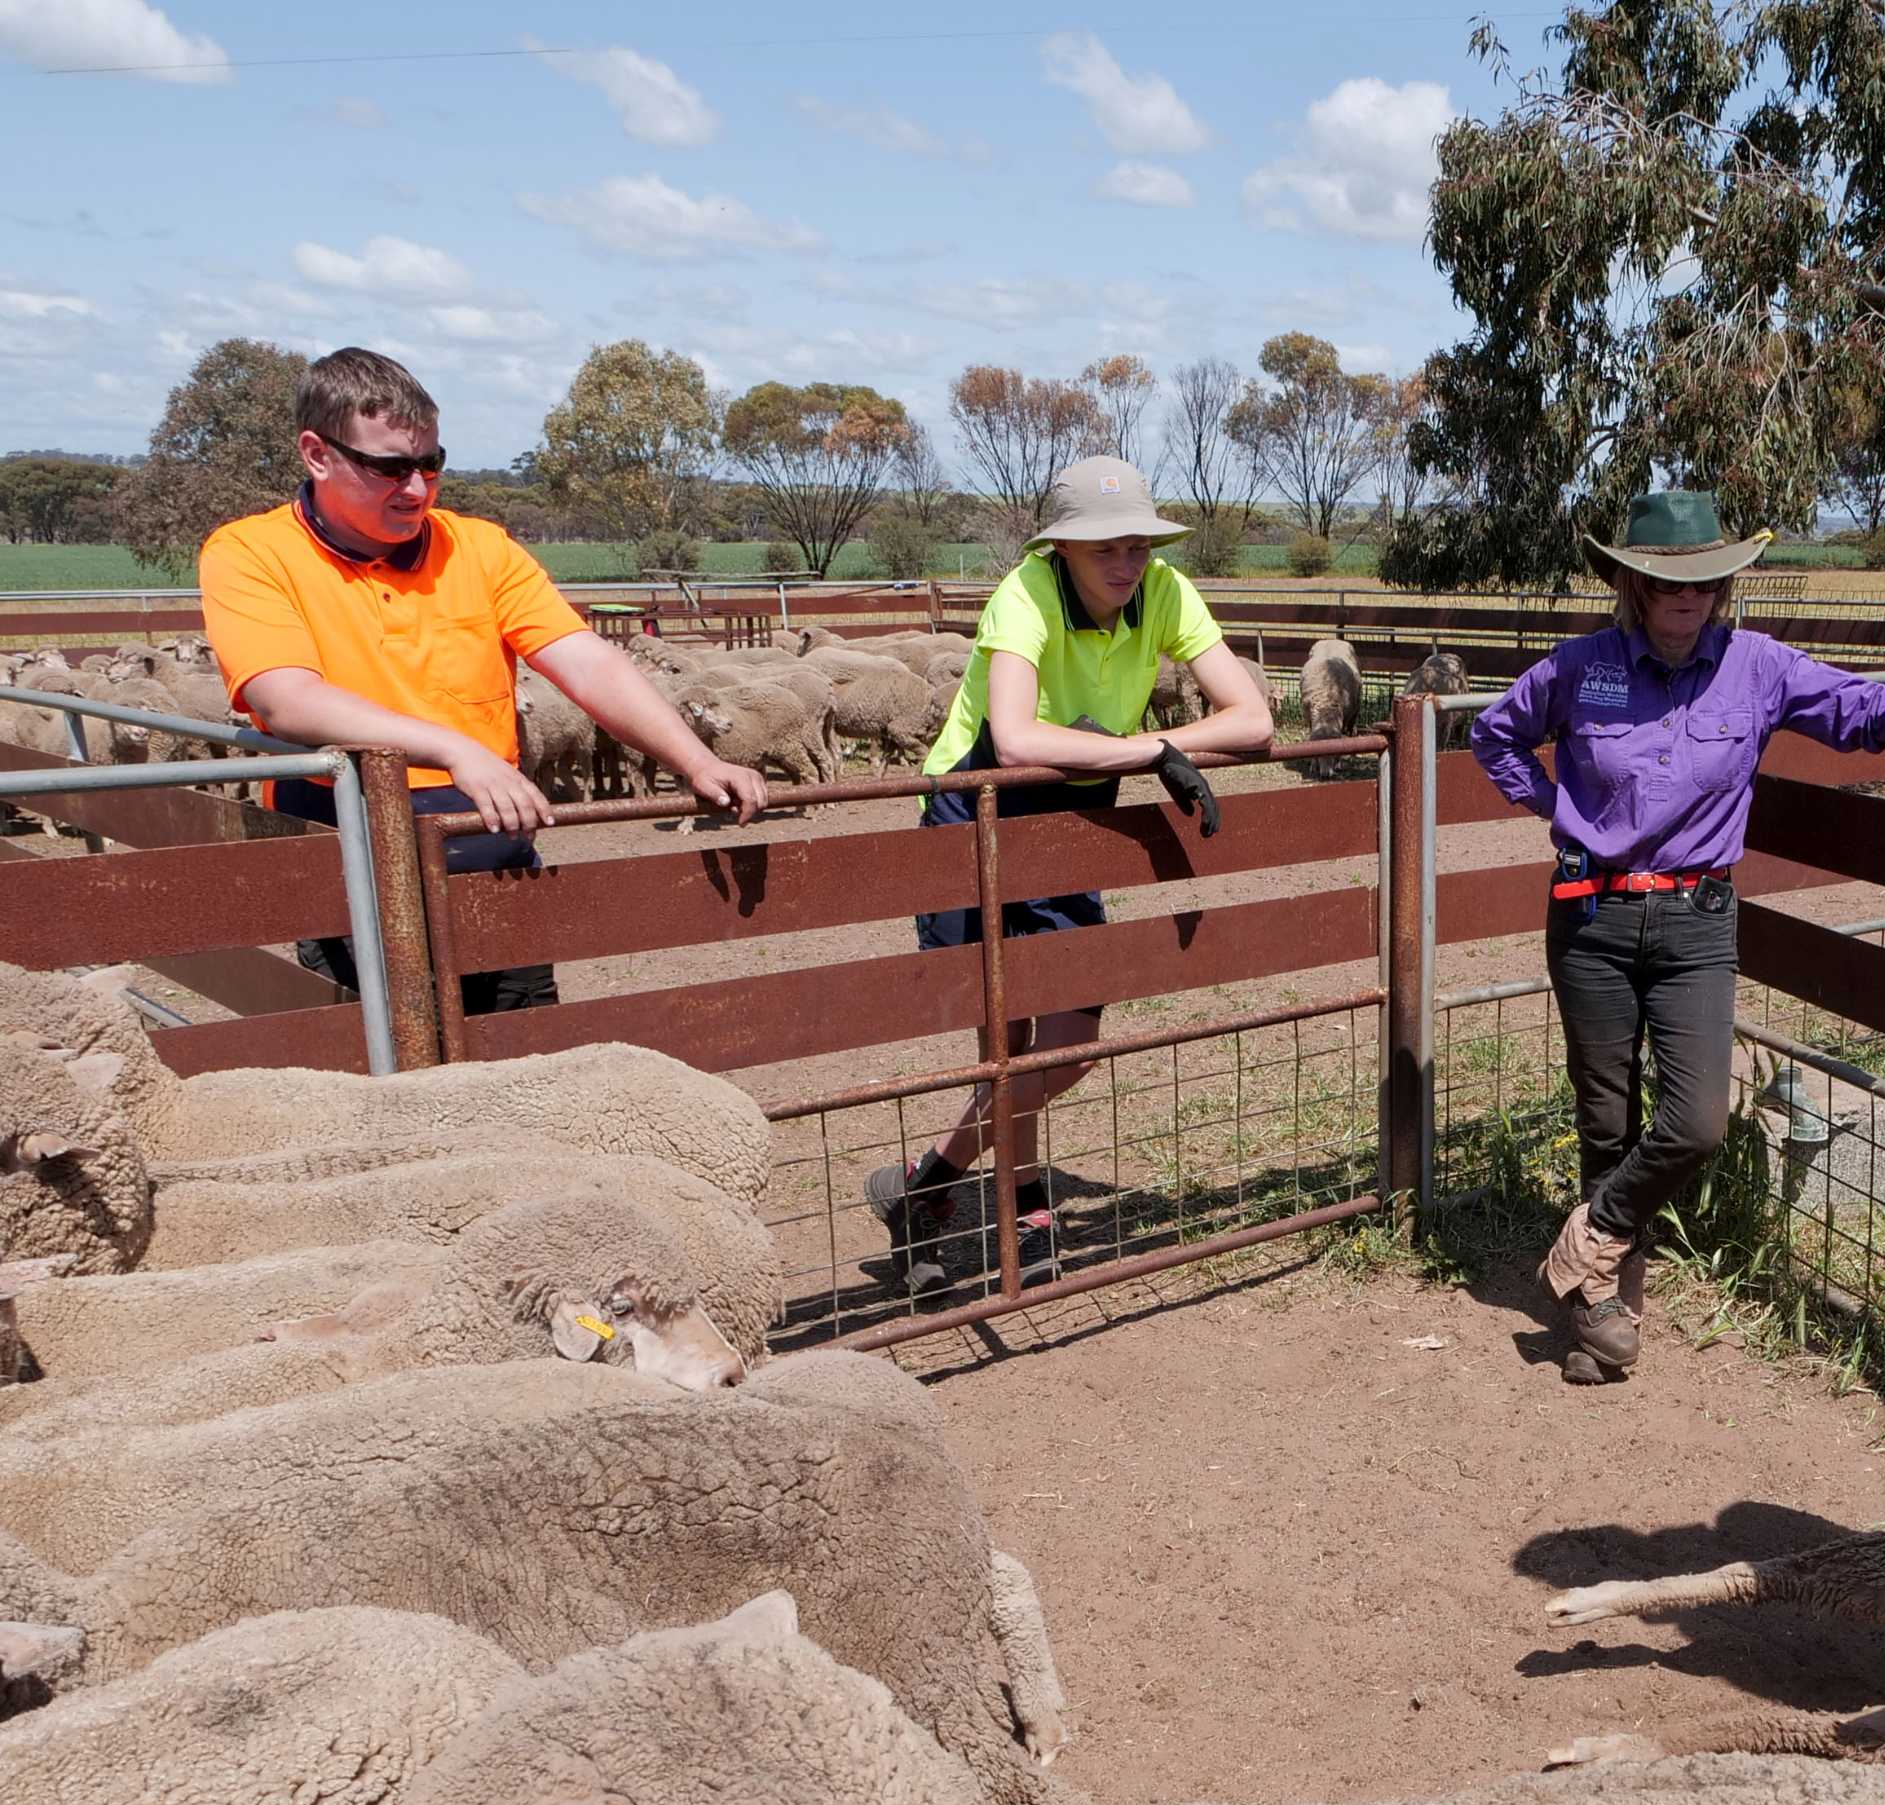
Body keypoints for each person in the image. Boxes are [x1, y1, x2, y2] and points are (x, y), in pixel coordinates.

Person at [1470, 491, 1885, 1383]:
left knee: (1695, 1122)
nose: (1688, 598)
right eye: (1666, 581)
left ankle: (1591, 1236)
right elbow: (1495, 732)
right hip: (1591, 916)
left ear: (1724, 587)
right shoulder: (1580, 669)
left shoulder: (1756, 668)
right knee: (1605, 1120)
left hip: (1697, 920)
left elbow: (1862, 712)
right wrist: (1555, 808)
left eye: (1706, 582)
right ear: (1633, 584)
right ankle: (1607, 1318)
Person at [199, 348, 768, 1015]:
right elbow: (286, 698)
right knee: (388, 1098)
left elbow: (584, 659)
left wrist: (693, 758)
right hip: (352, 883)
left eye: (430, 463)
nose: (417, 489)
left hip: (496, 876)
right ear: (318, 455)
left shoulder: (479, 548)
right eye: (389, 467)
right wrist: (453, 749)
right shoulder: (251, 554)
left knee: (527, 1089)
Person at [866, 457, 1271, 1293]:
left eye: (1137, 547)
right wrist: (1152, 752)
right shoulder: (1024, 595)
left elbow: (1256, 716)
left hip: (1073, 814)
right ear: (1060, 549)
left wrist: (1161, 749)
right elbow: (1014, 737)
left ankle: (927, 1184)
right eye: (1104, 550)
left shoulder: (1164, 592)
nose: (1126, 564)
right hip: (974, 809)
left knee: (1072, 1039)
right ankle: (1023, 1200)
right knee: (1000, 1035)